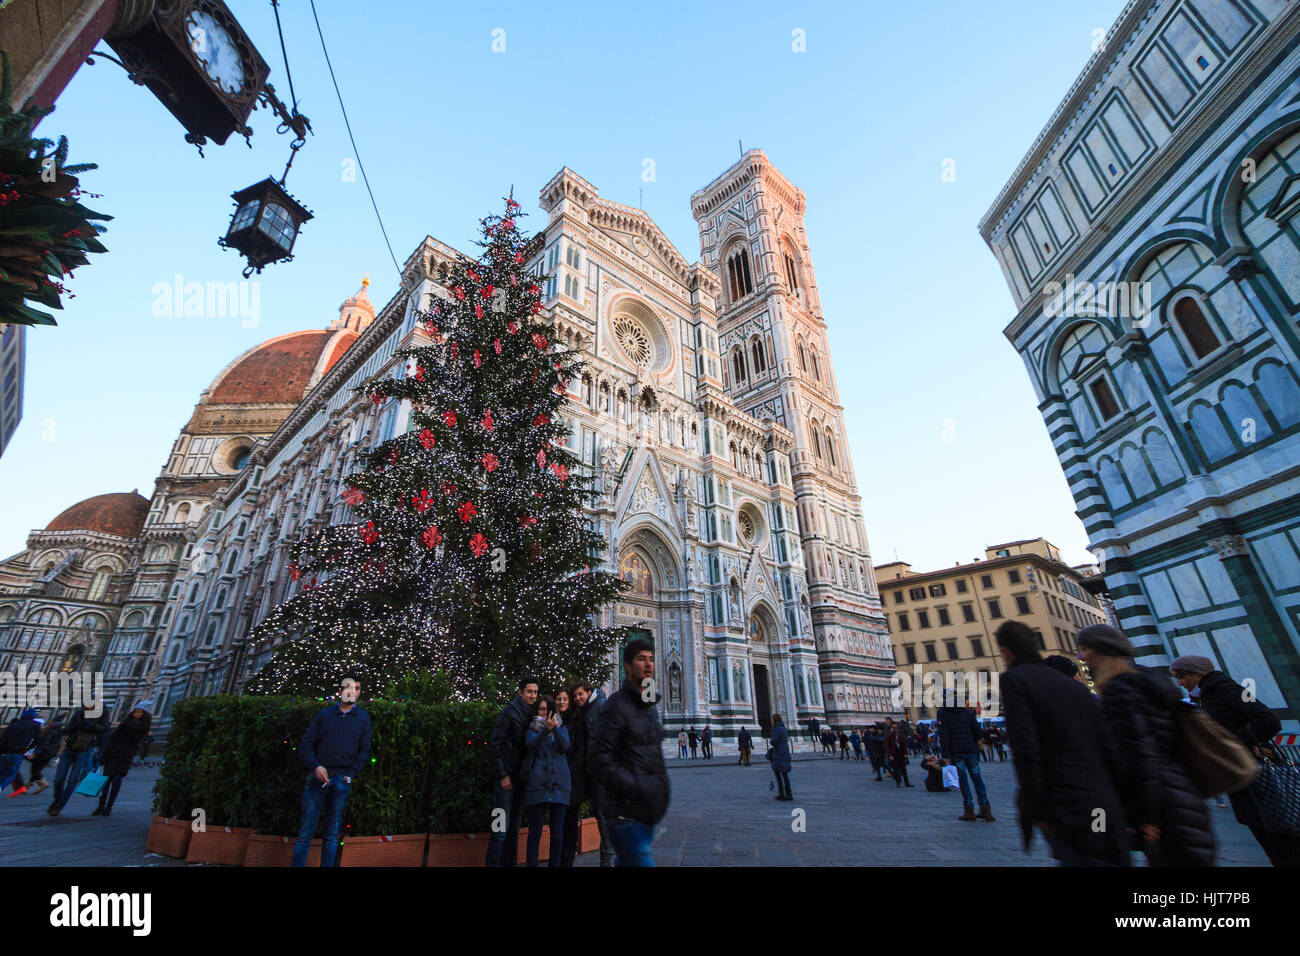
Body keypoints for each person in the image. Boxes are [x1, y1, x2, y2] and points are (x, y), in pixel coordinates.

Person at [1078, 625, 1214, 867]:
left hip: (1164, 806)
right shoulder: (1150, 681)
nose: (1082, 656)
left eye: (1085, 649)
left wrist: (1146, 816)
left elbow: (1142, 755)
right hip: (1180, 792)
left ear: (1102, 650)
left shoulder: (1119, 689)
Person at [996, 620, 1128, 866]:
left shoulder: (1017, 680)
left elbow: (1026, 748)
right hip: (1100, 801)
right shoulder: (1076, 687)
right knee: (1100, 851)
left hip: (1069, 803)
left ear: (1006, 652)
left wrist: (1036, 806)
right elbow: (1108, 746)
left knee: (1083, 857)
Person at [1171, 654, 1299, 867]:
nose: (1180, 683)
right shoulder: (1203, 697)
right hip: (1240, 776)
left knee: (1282, 839)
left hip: (1261, 775)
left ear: (1197, 673)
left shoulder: (1229, 690)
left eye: (1182, 676)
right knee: (1267, 836)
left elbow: (1268, 720)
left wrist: (1243, 742)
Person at [590, 637, 670, 866]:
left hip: (646, 813)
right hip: (626, 814)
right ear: (627, 665)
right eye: (641, 659)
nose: (648, 665)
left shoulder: (648, 708)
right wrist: (633, 788)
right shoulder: (615, 706)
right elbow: (598, 759)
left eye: (651, 660)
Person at [292, 679, 371, 867]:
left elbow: (364, 751)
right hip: (317, 779)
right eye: (349, 688)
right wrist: (316, 767)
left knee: (332, 834)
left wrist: (350, 775)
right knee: (305, 833)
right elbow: (306, 745)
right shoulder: (324, 715)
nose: (353, 692)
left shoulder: (363, 718)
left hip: (341, 781)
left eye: (357, 688)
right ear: (341, 691)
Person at [485, 675, 539, 867]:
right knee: (499, 830)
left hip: (521, 780)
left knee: (514, 829)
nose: (533, 695)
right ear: (520, 692)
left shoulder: (532, 715)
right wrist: (502, 775)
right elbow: (495, 745)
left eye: (535, 692)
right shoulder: (509, 712)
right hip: (505, 782)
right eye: (529, 692)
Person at [523, 693, 570, 867]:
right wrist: (545, 730)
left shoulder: (562, 726)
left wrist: (554, 728)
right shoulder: (532, 728)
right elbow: (531, 745)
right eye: (541, 709)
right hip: (538, 783)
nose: (544, 712)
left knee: (557, 832)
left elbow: (565, 746)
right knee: (534, 832)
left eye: (547, 709)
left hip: (559, 784)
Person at [573, 681, 614, 867]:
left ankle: (607, 859)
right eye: (575, 696)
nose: (577, 698)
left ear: (589, 692)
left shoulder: (599, 707)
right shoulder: (586, 709)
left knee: (602, 815)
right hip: (589, 770)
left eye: (580, 694)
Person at [938, 693, 994, 822]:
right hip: (971, 751)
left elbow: (944, 734)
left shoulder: (942, 712)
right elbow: (978, 732)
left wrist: (945, 755)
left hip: (956, 752)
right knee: (977, 779)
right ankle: (986, 808)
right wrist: (972, 743)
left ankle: (969, 810)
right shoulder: (967, 712)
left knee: (963, 781)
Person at [94, 701, 152, 817]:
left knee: (116, 780)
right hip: (113, 754)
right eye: (135, 711)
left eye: (139, 712)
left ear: (144, 714)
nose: (136, 714)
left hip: (125, 756)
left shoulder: (143, 728)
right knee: (106, 782)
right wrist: (104, 756)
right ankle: (101, 806)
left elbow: (138, 741)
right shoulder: (125, 724)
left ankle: (109, 807)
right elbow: (112, 739)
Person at [47, 708, 108, 816]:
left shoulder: (102, 713)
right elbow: (67, 729)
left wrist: (92, 726)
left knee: (73, 778)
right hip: (70, 746)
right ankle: (57, 800)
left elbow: (104, 729)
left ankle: (59, 805)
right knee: (58, 778)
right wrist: (75, 725)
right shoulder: (79, 712)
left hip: (85, 749)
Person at [556, 688, 586, 867]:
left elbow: (580, 750)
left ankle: (568, 859)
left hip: (572, 779)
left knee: (570, 820)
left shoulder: (577, 720)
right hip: (555, 779)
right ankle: (557, 857)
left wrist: (569, 770)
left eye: (565, 699)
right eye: (558, 699)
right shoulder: (553, 720)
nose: (562, 702)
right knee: (558, 820)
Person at [0, 708, 40, 793]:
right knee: (11, 774)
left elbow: (3, 740)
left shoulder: (13, 725)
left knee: (2, 772)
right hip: (18, 752)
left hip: (5, 752)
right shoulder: (36, 725)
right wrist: (28, 749)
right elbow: (37, 740)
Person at [22, 716, 63, 796]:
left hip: (43, 753)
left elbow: (44, 744)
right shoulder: (59, 731)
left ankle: (43, 783)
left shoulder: (50, 731)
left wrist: (35, 753)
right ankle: (27, 786)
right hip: (50, 753)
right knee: (37, 769)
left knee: (34, 770)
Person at [769, 713, 793, 801]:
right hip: (781, 753)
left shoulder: (778, 729)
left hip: (780, 753)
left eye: (772, 719)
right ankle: (783, 793)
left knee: (782, 774)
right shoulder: (782, 727)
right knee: (781, 774)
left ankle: (787, 794)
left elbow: (774, 740)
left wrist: (772, 741)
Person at [883, 718, 912, 787]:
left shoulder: (900, 734)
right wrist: (890, 755)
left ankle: (907, 783)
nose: (895, 729)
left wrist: (906, 753)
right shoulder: (888, 735)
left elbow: (904, 744)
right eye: (894, 727)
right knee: (896, 768)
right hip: (894, 753)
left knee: (903, 768)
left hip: (901, 752)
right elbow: (887, 746)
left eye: (896, 728)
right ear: (892, 728)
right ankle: (898, 782)